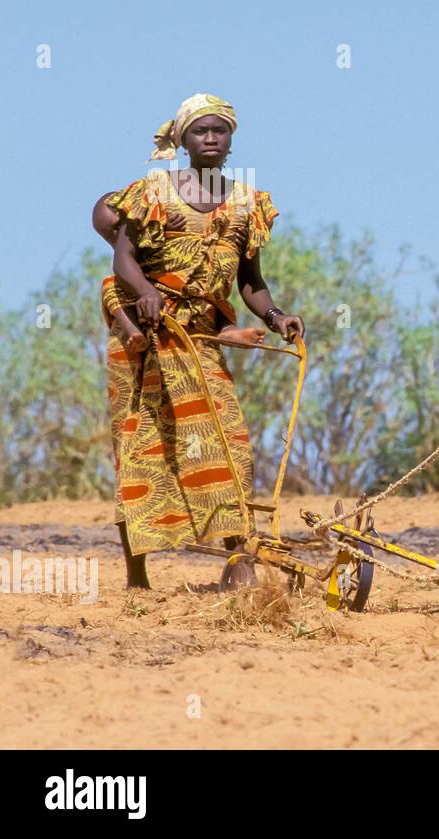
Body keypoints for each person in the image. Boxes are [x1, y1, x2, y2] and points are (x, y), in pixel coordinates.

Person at [93, 93, 305, 588]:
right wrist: (145, 294)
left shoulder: (246, 204)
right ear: (183, 140)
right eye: (200, 131)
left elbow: (250, 281)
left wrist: (276, 316)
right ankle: (137, 577)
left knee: (228, 443)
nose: (210, 138)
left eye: (220, 131)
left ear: (232, 140)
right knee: (143, 449)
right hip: (146, 340)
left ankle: (240, 561)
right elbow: (122, 261)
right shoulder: (154, 191)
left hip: (202, 340)